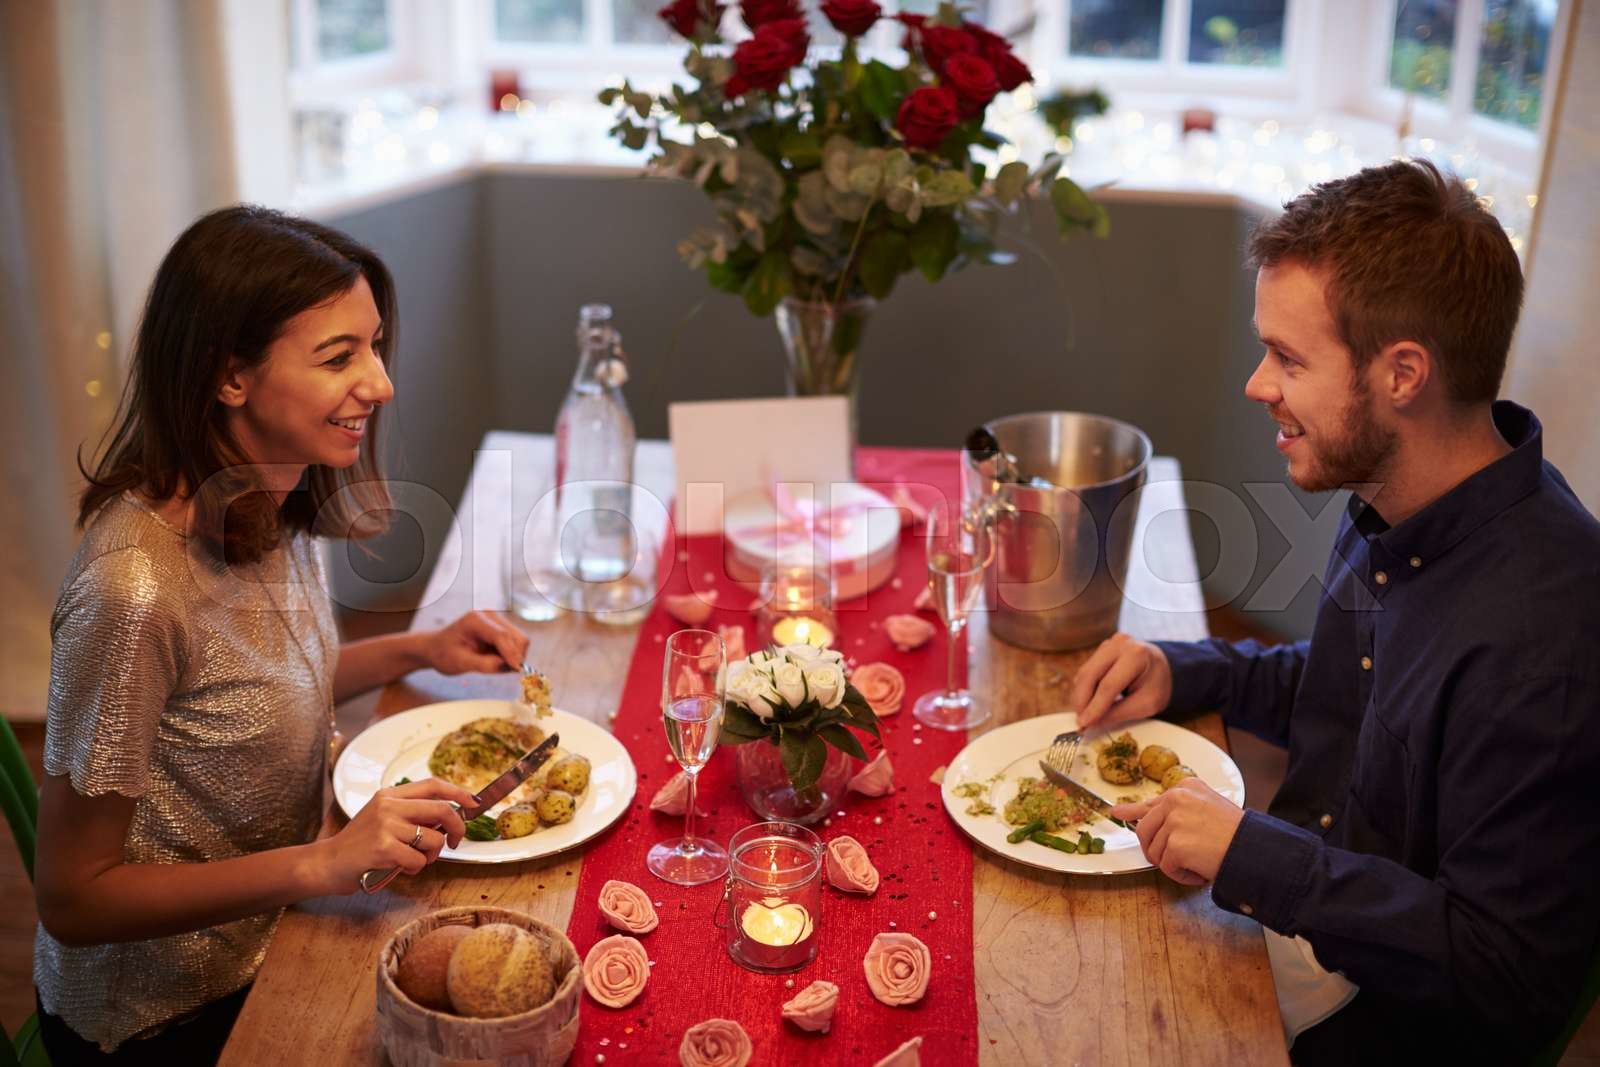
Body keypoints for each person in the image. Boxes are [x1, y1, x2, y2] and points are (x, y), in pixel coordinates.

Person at [1071, 160, 1600, 1064]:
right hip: (1308, 926)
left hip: (1387, 1024)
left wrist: (1255, 856)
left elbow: (1505, 978)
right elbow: (1347, 690)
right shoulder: (1398, 500)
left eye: (1288, 358)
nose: (1257, 384)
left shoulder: (1547, 638)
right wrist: (1185, 667)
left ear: (1403, 374)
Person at [32, 205, 534, 1062]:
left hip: (285, 919)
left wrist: (420, 648)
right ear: (230, 377)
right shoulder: (134, 591)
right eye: (339, 357)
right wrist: (323, 862)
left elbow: (254, 696)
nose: (380, 384)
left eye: (374, 346)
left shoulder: (269, 496)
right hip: (168, 1013)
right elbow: (74, 899)